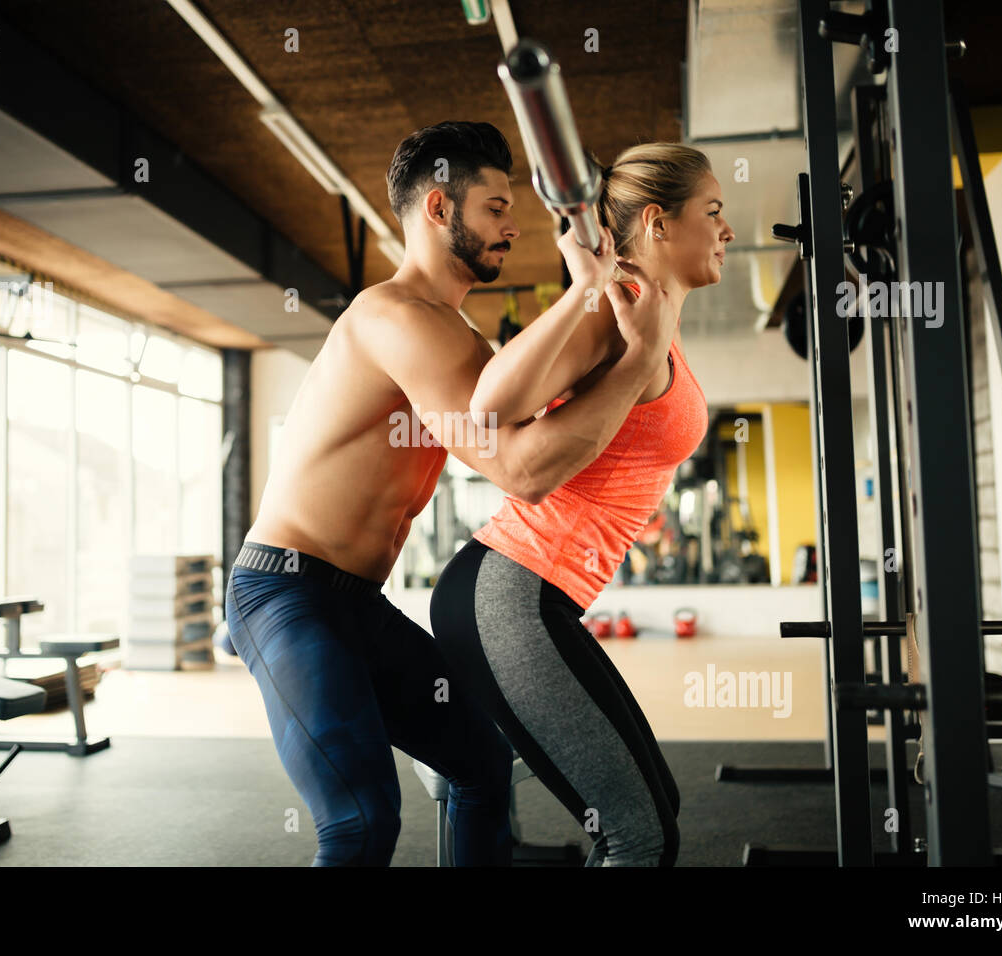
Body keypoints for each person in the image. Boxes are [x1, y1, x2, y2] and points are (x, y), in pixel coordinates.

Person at [224, 122, 671, 865]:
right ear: (439, 209)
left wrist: (617, 319)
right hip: (284, 593)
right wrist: (625, 346)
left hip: (357, 602)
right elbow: (522, 472)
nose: (512, 224)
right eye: (495, 207)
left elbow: (539, 425)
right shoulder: (393, 318)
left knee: (479, 763)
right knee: (362, 822)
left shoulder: (463, 342)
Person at [430, 143, 734, 866]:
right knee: (640, 837)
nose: (727, 230)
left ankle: (459, 754)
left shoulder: (651, 316)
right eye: (713, 212)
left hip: (537, 598)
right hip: (510, 592)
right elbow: (490, 405)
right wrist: (586, 291)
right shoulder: (613, 308)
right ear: (658, 223)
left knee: (657, 810)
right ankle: (454, 750)